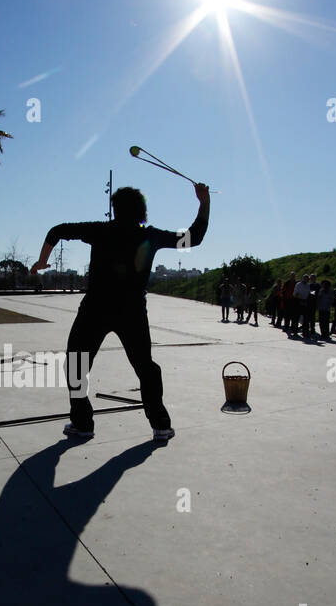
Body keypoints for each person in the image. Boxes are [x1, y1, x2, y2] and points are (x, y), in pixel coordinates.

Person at [31, 181, 211, 440]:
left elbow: (56, 230)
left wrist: (43, 260)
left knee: (76, 364)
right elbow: (195, 237)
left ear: (115, 210)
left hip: (96, 308)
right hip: (132, 311)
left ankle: (82, 423)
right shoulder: (151, 235)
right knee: (145, 367)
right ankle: (160, 424)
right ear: (142, 211)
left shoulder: (100, 230)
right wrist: (204, 201)